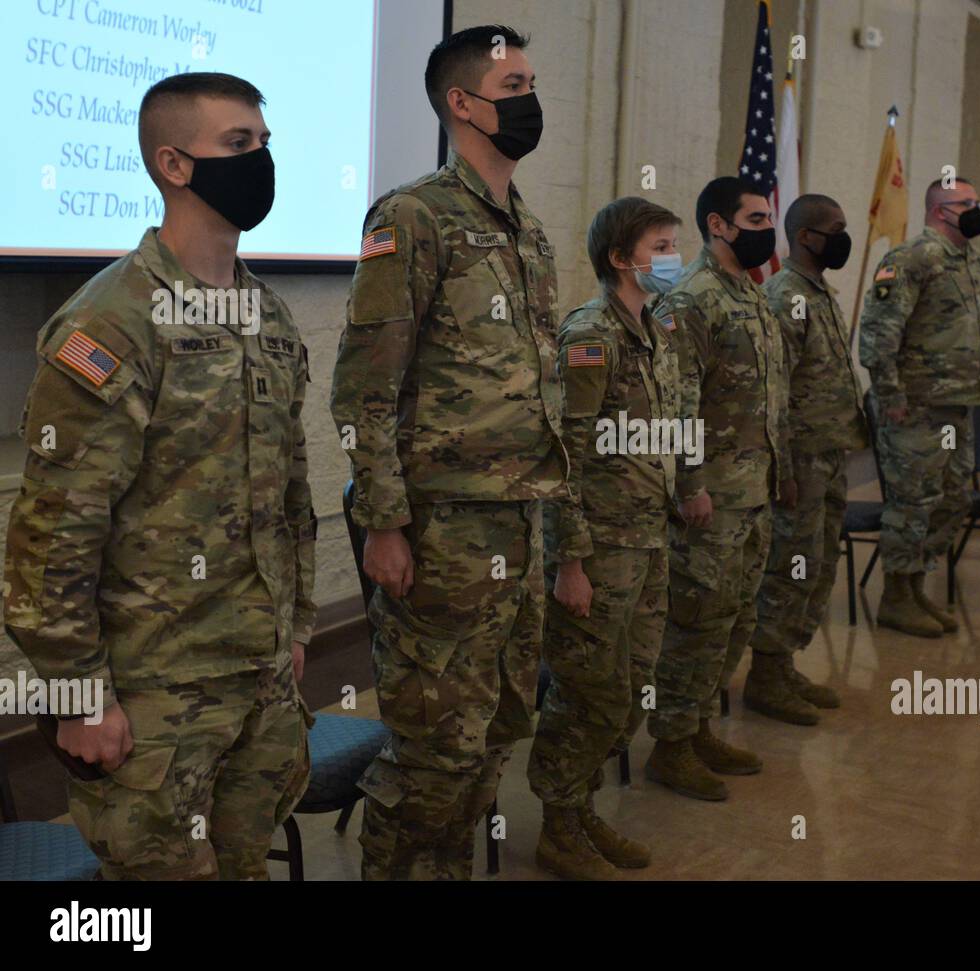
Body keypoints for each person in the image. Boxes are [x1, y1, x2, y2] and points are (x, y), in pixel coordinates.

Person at [3, 72, 315, 879]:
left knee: (245, 863)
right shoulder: (112, 319)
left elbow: (292, 497)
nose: (261, 161)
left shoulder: (267, 315)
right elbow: (53, 533)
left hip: (258, 678)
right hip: (153, 692)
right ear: (174, 165)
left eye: (265, 143)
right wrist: (78, 694)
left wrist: (297, 630)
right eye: (238, 145)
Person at [330, 25, 562, 880]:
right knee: (433, 753)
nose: (530, 99)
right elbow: (363, 389)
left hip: (517, 522)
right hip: (440, 532)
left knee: (495, 729)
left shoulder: (527, 233)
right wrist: (384, 521)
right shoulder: (413, 216)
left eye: (533, 80)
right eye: (513, 83)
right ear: (462, 104)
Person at [526, 197, 682, 879]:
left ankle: (580, 802)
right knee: (589, 690)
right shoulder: (591, 336)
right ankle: (558, 822)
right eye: (660, 246)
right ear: (621, 258)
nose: (673, 258)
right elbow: (566, 455)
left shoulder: (655, 328)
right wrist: (570, 561)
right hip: (599, 549)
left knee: (634, 682)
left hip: (648, 539)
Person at [646, 176, 790, 801]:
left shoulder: (750, 292)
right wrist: (690, 487)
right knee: (698, 621)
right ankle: (672, 743)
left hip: (753, 488)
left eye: (768, 217)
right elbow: (679, 407)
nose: (766, 228)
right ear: (718, 226)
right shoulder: (692, 299)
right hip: (711, 498)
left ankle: (700, 722)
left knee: (735, 616)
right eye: (755, 218)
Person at [746, 193, 867, 725]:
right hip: (800, 462)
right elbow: (775, 390)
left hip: (830, 452)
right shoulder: (785, 296)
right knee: (790, 567)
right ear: (806, 237)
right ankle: (765, 674)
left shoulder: (818, 293)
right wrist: (784, 469)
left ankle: (784, 660)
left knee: (818, 563)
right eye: (835, 228)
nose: (844, 236)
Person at [858, 176, 980, 637]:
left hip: (959, 405)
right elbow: (879, 331)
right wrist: (892, 395)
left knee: (951, 500)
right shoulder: (910, 258)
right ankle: (896, 595)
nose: (977, 209)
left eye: (978, 201)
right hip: (915, 406)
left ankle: (916, 584)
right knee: (912, 503)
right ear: (940, 210)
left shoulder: (973, 264)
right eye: (967, 203)